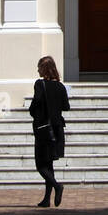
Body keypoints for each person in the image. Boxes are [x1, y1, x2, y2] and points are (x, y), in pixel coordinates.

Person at [28, 55, 69, 207]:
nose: (37, 70)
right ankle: (46, 199)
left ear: (44, 69)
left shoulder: (40, 84)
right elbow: (66, 106)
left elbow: (36, 103)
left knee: (41, 165)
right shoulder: (60, 86)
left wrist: (34, 111)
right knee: (49, 164)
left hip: (44, 129)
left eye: (39, 67)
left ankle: (57, 186)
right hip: (57, 129)